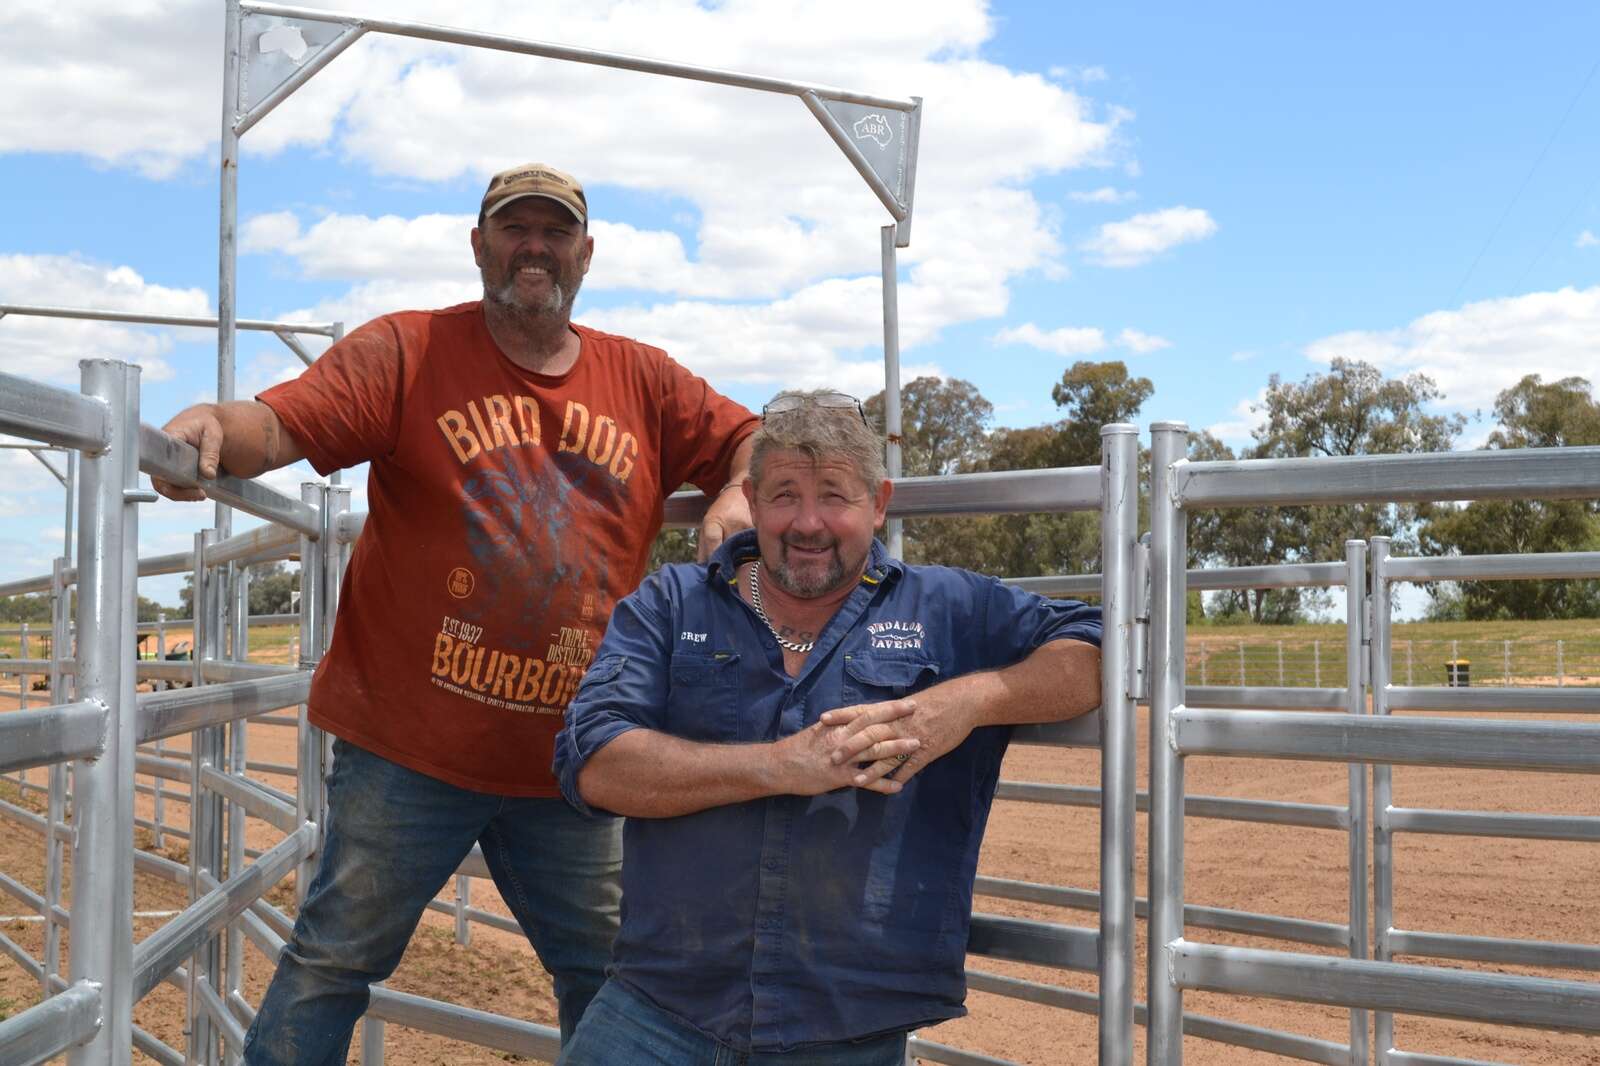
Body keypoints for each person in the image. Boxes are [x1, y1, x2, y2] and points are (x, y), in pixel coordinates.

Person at [150, 163, 760, 1065]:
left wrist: (737, 495)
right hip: (412, 751)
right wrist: (209, 428)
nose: (535, 248)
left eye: (555, 233)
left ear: (585, 254)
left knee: (616, 973)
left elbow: (749, 437)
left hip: (575, 758)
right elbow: (282, 425)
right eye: (515, 229)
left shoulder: (645, 380)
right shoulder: (407, 352)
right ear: (479, 246)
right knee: (334, 960)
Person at [552, 389, 1103, 1064]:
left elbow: (1096, 652)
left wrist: (967, 703)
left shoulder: (947, 609)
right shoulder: (672, 604)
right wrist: (784, 765)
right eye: (785, 495)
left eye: (835, 496)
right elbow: (595, 760)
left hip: (849, 1023)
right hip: (661, 1005)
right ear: (751, 503)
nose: (807, 522)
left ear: (879, 502)